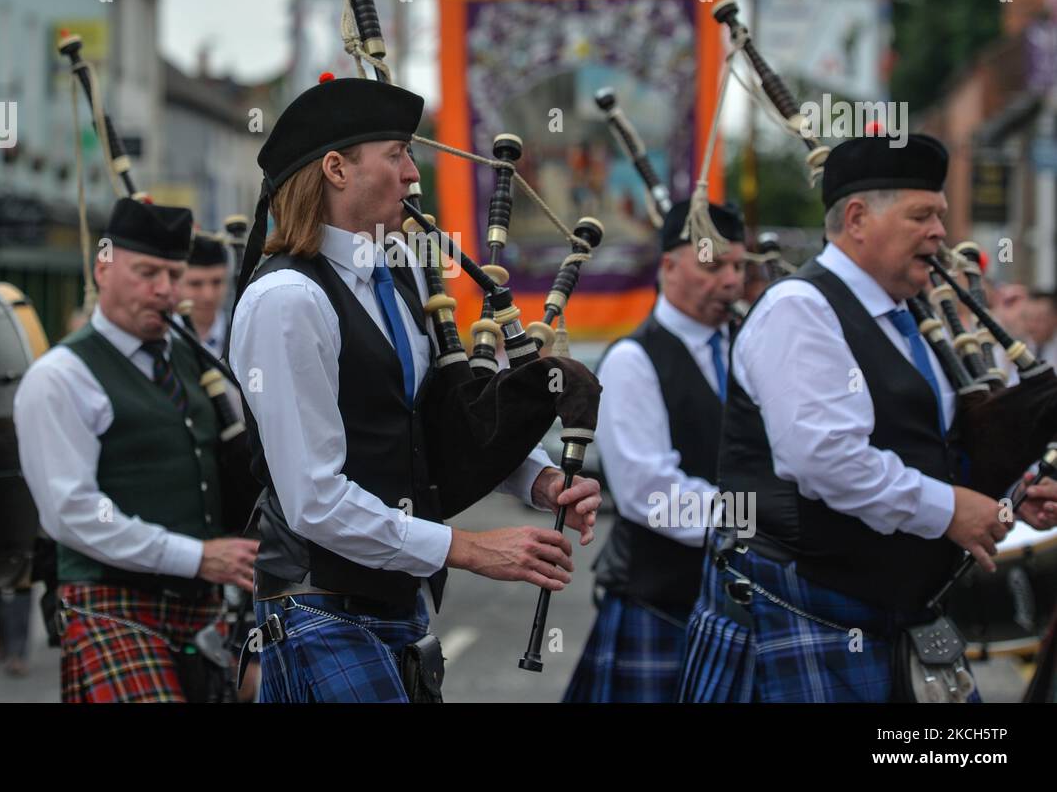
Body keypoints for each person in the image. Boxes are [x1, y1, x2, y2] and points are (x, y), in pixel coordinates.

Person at [229, 75, 601, 703]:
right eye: (397, 153)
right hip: (318, 607)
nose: (412, 175)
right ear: (336, 169)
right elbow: (314, 500)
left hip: (395, 603)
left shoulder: (395, 279)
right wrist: (470, 548)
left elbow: (427, 424)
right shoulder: (287, 301)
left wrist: (533, 479)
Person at [678, 134, 1057, 703]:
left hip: (891, 612)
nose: (940, 233)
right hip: (805, 604)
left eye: (941, 216)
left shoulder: (907, 318)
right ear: (857, 218)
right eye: (922, 215)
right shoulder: (800, 310)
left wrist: (1005, 492)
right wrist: (952, 508)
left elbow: (921, 446)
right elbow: (824, 460)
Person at [14, 197, 258, 702]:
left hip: (201, 608)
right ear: (103, 267)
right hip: (109, 604)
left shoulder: (196, 363)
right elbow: (72, 512)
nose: (165, 291)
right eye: (147, 272)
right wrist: (196, 557)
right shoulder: (61, 377)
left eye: (174, 273)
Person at [564, 200, 745, 703]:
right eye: (713, 265)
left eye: (738, 267)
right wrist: (760, 520)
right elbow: (651, 495)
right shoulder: (633, 359)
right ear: (668, 267)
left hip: (745, 609)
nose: (731, 280)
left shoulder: (747, 348)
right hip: (663, 607)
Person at [178, 234, 230, 357]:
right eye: (195, 284)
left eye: (217, 282)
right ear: (176, 284)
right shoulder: (162, 341)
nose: (208, 296)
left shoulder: (240, 338)